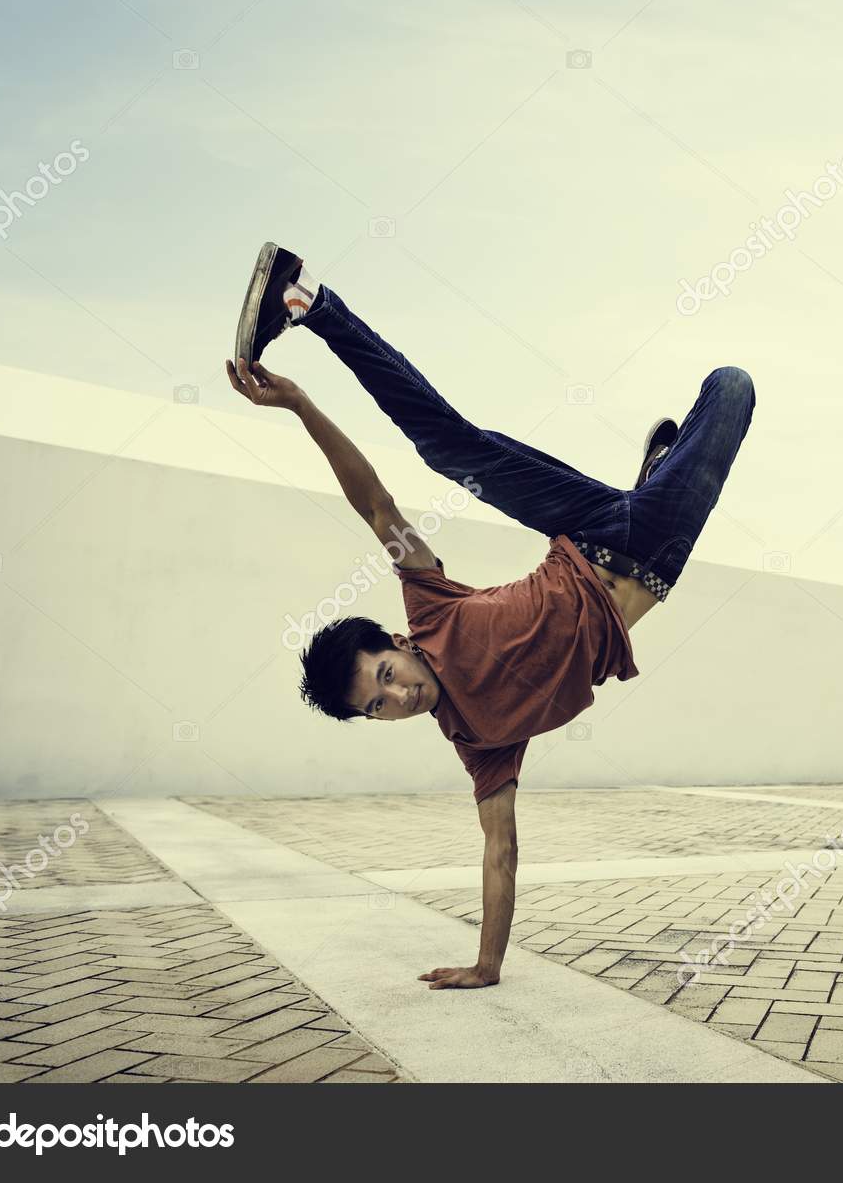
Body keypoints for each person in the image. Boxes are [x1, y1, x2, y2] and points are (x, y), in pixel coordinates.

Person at [225, 243, 755, 990]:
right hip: (656, 554)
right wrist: (488, 963)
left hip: (586, 524)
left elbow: (375, 503)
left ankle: (305, 304)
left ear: (399, 643)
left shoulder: (431, 608)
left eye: (386, 675)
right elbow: (500, 848)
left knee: (450, 446)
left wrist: (303, 406)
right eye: (378, 707)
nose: (399, 697)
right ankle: (659, 477)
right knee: (733, 388)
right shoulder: (480, 742)